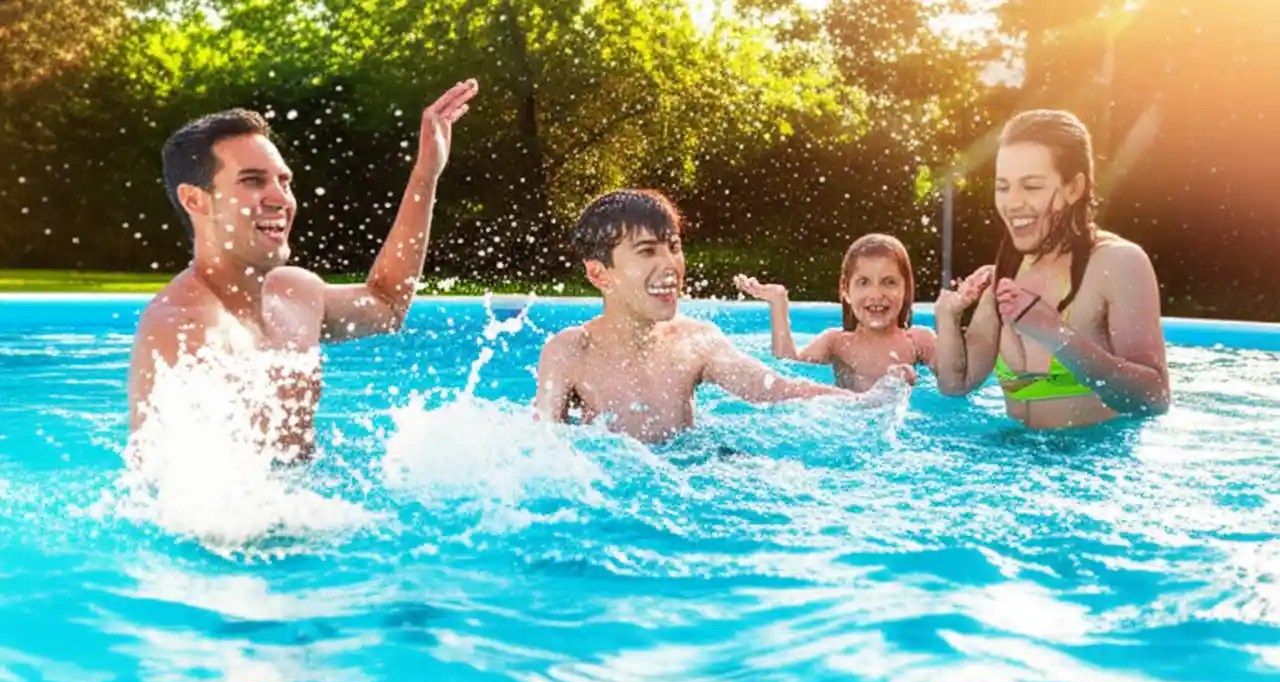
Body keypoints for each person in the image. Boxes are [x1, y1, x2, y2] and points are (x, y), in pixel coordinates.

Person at [127, 79, 479, 460]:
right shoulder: (183, 328)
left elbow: (388, 303)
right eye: (252, 181)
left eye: (284, 181)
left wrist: (426, 173)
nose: (281, 199)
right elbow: (189, 497)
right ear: (197, 200)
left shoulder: (292, 293)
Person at [533, 189, 876, 443]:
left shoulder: (696, 341)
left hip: (695, 470)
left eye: (674, 247)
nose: (670, 265)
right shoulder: (571, 352)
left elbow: (776, 390)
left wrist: (865, 403)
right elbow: (541, 446)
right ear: (599, 275)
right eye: (647, 251)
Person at [934, 109, 1170, 428]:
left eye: (1031, 187)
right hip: (1013, 459)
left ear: (1074, 187)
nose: (1012, 202)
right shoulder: (1008, 268)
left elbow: (1153, 398)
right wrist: (948, 317)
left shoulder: (1117, 264)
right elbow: (956, 384)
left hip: (1092, 466)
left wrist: (1055, 333)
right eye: (1003, 187)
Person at [733, 233, 935, 391]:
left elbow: (957, 380)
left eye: (889, 282)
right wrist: (778, 302)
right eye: (863, 282)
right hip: (849, 419)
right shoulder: (837, 343)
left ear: (906, 288)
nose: (876, 294)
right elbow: (787, 367)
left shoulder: (918, 342)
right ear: (845, 290)